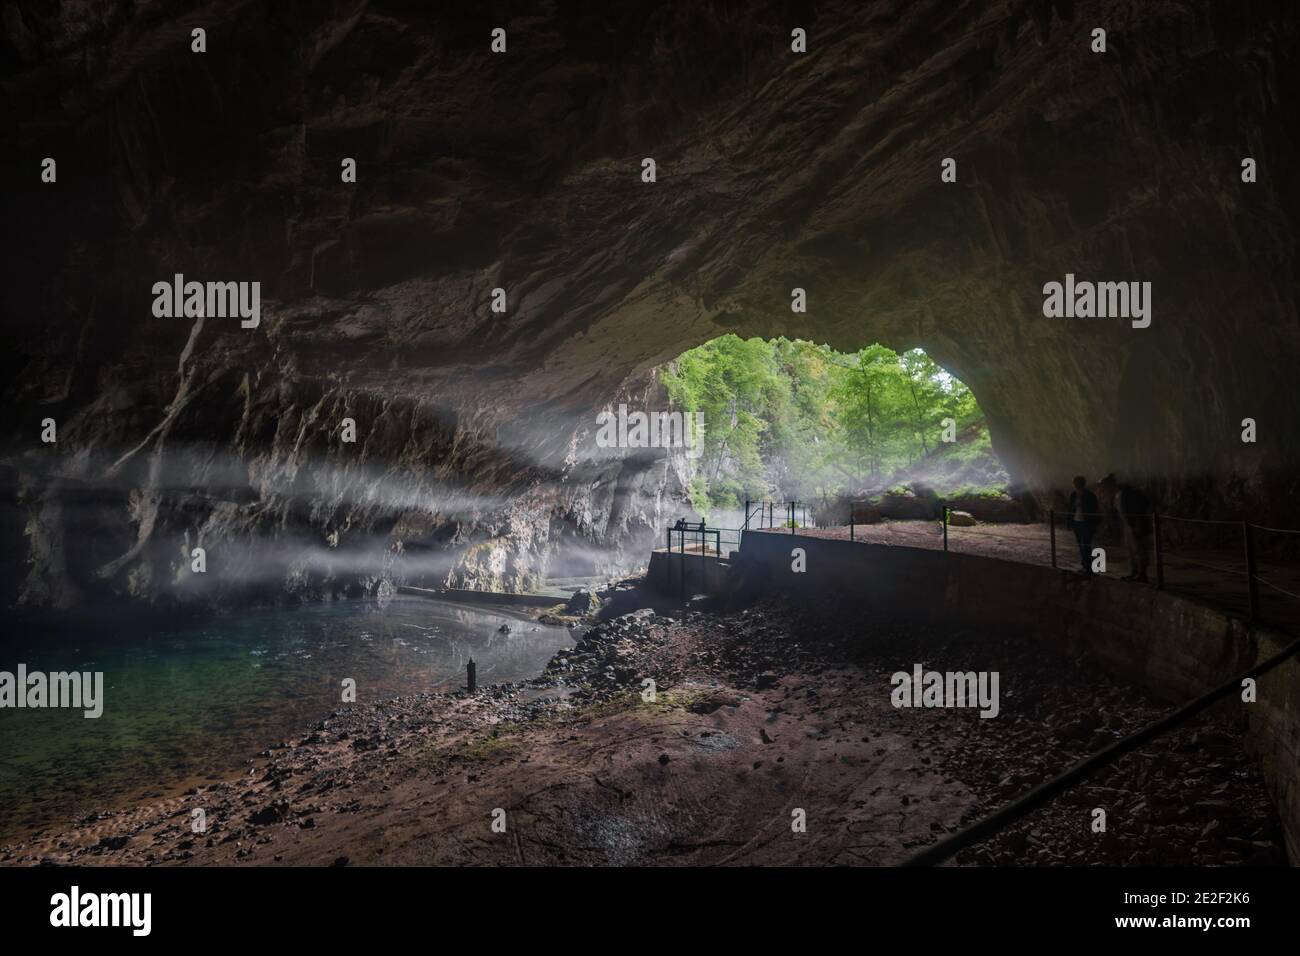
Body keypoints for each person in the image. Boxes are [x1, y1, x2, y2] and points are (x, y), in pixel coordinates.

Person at [1098, 473, 1152, 583]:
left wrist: (1137, 525)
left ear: (1110, 486)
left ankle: (1142, 574)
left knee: (1139, 550)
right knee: (1131, 550)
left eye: (1104, 487)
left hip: (1135, 525)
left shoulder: (1126, 494)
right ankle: (1134, 571)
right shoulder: (1116, 496)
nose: (1103, 490)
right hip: (1127, 525)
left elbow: (1137, 510)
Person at [1065, 476, 1101, 576]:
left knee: (1085, 545)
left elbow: (1094, 509)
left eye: (1076, 483)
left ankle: (1088, 568)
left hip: (1086, 523)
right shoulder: (1074, 495)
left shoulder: (1089, 495)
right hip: (1077, 522)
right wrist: (1069, 522)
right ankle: (1085, 566)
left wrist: (1094, 524)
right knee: (1081, 545)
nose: (1075, 485)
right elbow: (1070, 509)